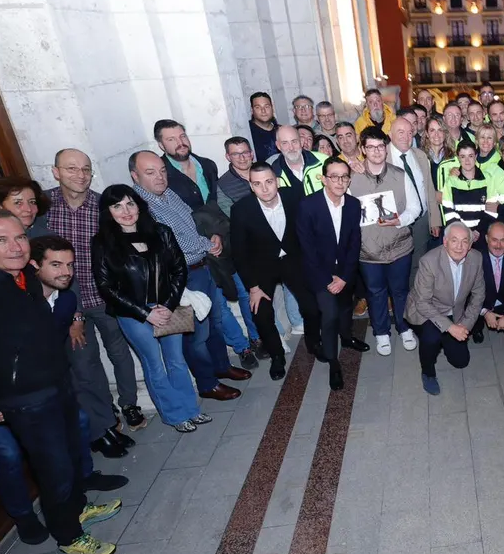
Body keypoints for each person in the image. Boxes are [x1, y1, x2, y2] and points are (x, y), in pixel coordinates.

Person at [0, 210, 121, 554]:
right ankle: (69, 536)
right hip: (25, 400)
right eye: (0, 240)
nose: (15, 247)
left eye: (19, 237)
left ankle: (77, 509)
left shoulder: (25, 277)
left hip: (57, 385)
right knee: (53, 469)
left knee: (73, 455)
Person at [92, 185, 212, 433]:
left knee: (177, 361)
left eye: (130, 204)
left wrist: (167, 305)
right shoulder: (103, 242)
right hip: (134, 313)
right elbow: (106, 286)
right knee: (154, 364)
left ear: (139, 206)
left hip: (169, 306)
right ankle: (174, 415)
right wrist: (146, 313)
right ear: (108, 211)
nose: (125, 211)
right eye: (117, 206)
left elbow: (179, 270)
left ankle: (191, 410)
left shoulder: (161, 232)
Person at [129, 151, 247, 401]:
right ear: (135, 176)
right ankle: (207, 384)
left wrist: (209, 239)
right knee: (195, 335)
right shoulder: (139, 207)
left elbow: (191, 228)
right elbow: (170, 244)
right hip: (177, 280)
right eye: (151, 173)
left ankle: (221, 366)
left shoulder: (169, 194)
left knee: (214, 323)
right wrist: (205, 244)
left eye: (162, 171)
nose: (160, 177)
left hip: (202, 268)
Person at [46, 151, 146, 431]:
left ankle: (129, 403)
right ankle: (105, 413)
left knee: (120, 352)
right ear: (56, 172)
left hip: (105, 296)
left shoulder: (103, 205)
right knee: (84, 361)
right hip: (66, 301)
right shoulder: (44, 205)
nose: (80, 175)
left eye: (86, 169)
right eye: (71, 169)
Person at [155, 120, 262, 367]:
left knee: (246, 291)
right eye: (171, 139)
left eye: (182, 135)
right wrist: (203, 241)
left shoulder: (207, 165)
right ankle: (242, 346)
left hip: (223, 242)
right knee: (218, 304)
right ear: (161, 144)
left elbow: (217, 207)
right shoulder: (163, 175)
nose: (180, 142)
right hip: (192, 252)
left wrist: (220, 235)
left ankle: (257, 338)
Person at [231, 163, 323, 381]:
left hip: (293, 260)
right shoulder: (241, 210)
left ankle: (313, 343)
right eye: (257, 184)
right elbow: (239, 253)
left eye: (269, 182)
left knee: (312, 306)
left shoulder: (294, 196)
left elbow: (311, 230)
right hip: (261, 266)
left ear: (277, 182)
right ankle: (277, 356)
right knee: (261, 314)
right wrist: (253, 287)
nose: (264, 188)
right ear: (251, 186)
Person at [351, 127, 421, 356]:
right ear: (363, 149)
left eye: (380, 146)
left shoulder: (399, 174)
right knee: (375, 292)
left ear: (386, 147)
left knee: (400, 290)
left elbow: (415, 207)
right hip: (368, 249)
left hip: (399, 245)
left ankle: (404, 327)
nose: (376, 151)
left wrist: (400, 220)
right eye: (370, 147)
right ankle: (381, 332)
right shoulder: (353, 178)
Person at [298, 156, 368, 389]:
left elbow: (354, 243)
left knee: (346, 307)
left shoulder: (354, 204)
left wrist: (345, 276)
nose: (339, 182)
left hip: (345, 270)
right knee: (329, 316)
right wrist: (329, 281)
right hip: (320, 274)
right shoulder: (308, 206)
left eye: (344, 177)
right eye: (334, 177)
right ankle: (333, 362)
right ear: (324, 179)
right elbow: (307, 250)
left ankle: (346, 339)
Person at [404, 222, 485, 395]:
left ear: (470, 245)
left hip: (455, 312)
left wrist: (465, 325)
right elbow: (423, 303)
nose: (459, 246)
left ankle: (446, 339)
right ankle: (428, 373)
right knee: (431, 338)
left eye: (465, 241)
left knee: (461, 361)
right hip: (426, 311)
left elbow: (478, 296)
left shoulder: (476, 258)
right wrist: (450, 327)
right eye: (454, 240)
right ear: (445, 241)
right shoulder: (429, 262)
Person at [389, 117, 440, 277]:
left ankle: (415, 299)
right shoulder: (381, 158)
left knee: (419, 266)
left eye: (410, 132)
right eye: (401, 132)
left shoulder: (420, 156)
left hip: (421, 222)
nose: (406, 136)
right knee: (397, 268)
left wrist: (435, 220)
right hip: (396, 224)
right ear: (390, 135)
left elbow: (429, 190)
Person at [442, 139, 491, 241]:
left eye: (470, 156)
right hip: (459, 236)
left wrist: (478, 231)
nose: (467, 161)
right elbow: (449, 211)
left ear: (476, 156)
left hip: (482, 234)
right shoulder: (450, 181)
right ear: (458, 158)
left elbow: (491, 210)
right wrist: (465, 233)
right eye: (463, 157)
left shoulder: (488, 179)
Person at [271, 124, 324, 196]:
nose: (291, 148)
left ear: (301, 142)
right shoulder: (273, 173)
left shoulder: (323, 161)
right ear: (278, 146)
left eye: (294, 141)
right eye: (285, 143)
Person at [217, 137, 255, 217]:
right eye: (235, 154)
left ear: (251, 154)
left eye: (245, 152)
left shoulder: (266, 172)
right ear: (228, 157)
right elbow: (233, 217)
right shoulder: (223, 185)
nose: (242, 158)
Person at [249, 91, 279, 161]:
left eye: (267, 106)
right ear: (252, 110)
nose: (263, 110)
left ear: (272, 108)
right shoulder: (247, 132)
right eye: (258, 107)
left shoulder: (281, 130)